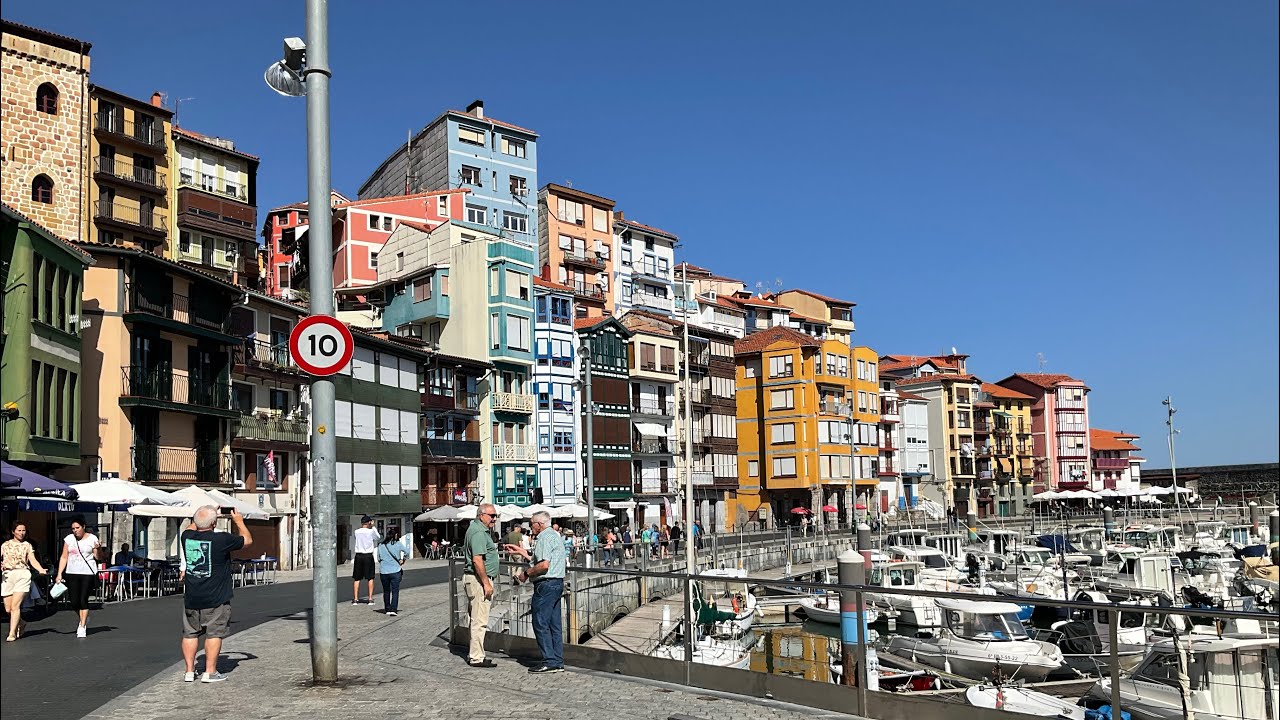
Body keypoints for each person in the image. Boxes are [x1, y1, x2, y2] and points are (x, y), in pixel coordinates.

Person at [180, 506, 251, 683]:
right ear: (214, 523)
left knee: (190, 633)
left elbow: (192, 525)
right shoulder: (221, 539)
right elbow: (247, 540)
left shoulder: (186, 537)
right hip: (216, 596)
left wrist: (204, 511)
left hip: (192, 595)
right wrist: (239, 521)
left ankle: (189, 671)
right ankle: (210, 672)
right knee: (213, 634)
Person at [506, 511, 566, 673]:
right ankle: (557, 660)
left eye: (531, 523)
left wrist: (525, 574)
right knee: (554, 624)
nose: (530, 525)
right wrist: (522, 552)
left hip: (546, 584)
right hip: (556, 583)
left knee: (540, 622)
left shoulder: (544, 538)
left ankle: (549, 660)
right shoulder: (553, 535)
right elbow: (541, 559)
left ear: (539, 524)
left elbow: (544, 565)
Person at [463, 503, 499, 667]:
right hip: (478, 581)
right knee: (479, 620)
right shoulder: (478, 532)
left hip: (475, 579)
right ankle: (477, 657)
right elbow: (477, 560)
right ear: (481, 515)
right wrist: (486, 583)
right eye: (492, 516)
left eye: (495, 516)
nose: (494, 519)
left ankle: (476, 654)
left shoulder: (477, 530)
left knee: (476, 619)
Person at [55, 516, 101, 638]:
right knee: (74, 602)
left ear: (83, 527)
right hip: (72, 572)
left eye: (77, 528)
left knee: (83, 599)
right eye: (73, 528)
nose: (75, 530)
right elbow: (64, 557)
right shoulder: (69, 539)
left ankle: (82, 625)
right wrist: (59, 573)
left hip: (88, 573)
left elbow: (98, 558)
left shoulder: (92, 538)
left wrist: (98, 549)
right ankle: (84, 618)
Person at [3, 522, 48, 642]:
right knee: (8, 608)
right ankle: (21, 623)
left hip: (22, 574)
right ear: (13, 531)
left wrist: (40, 569)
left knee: (15, 606)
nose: (21, 533)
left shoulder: (27, 545)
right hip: (7, 575)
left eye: (23, 531)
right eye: (19, 530)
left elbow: (32, 560)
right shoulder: (5, 545)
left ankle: (12, 633)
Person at [377, 528, 407, 616]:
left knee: (386, 591)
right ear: (395, 535)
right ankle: (393, 609)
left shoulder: (381, 545)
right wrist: (402, 560)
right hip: (395, 570)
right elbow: (407, 552)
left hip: (384, 571)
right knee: (395, 591)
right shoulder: (398, 544)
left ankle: (387, 609)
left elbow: (379, 558)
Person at [351, 516, 380, 606]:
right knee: (370, 577)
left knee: (357, 578)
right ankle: (370, 599)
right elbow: (377, 537)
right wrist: (373, 527)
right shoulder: (371, 531)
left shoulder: (357, 532)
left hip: (359, 555)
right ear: (369, 523)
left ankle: (355, 599)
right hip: (368, 555)